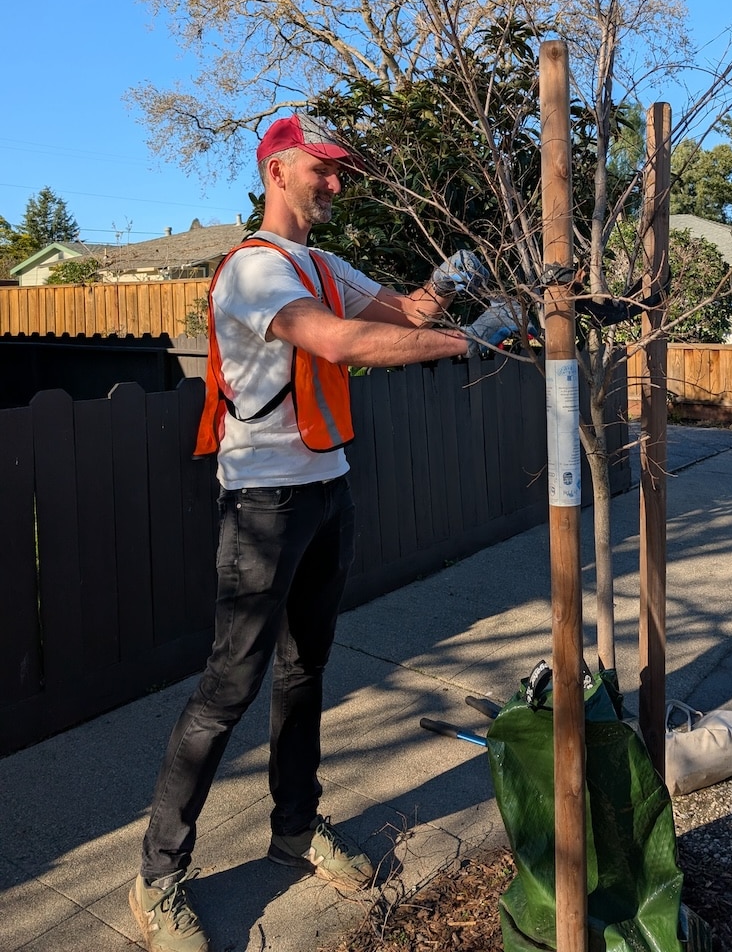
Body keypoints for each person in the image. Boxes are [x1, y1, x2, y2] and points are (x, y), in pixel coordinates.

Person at [130, 113, 518, 952]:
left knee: (305, 673)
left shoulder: (319, 263)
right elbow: (339, 342)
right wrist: (464, 340)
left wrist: (446, 287)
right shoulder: (253, 272)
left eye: (342, 172)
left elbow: (400, 311)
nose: (337, 184)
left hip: (325, 490)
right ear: (278, 170)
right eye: (324, 170)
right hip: (263, 507)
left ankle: (297, 829)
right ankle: (158, 878)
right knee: (227, 690)